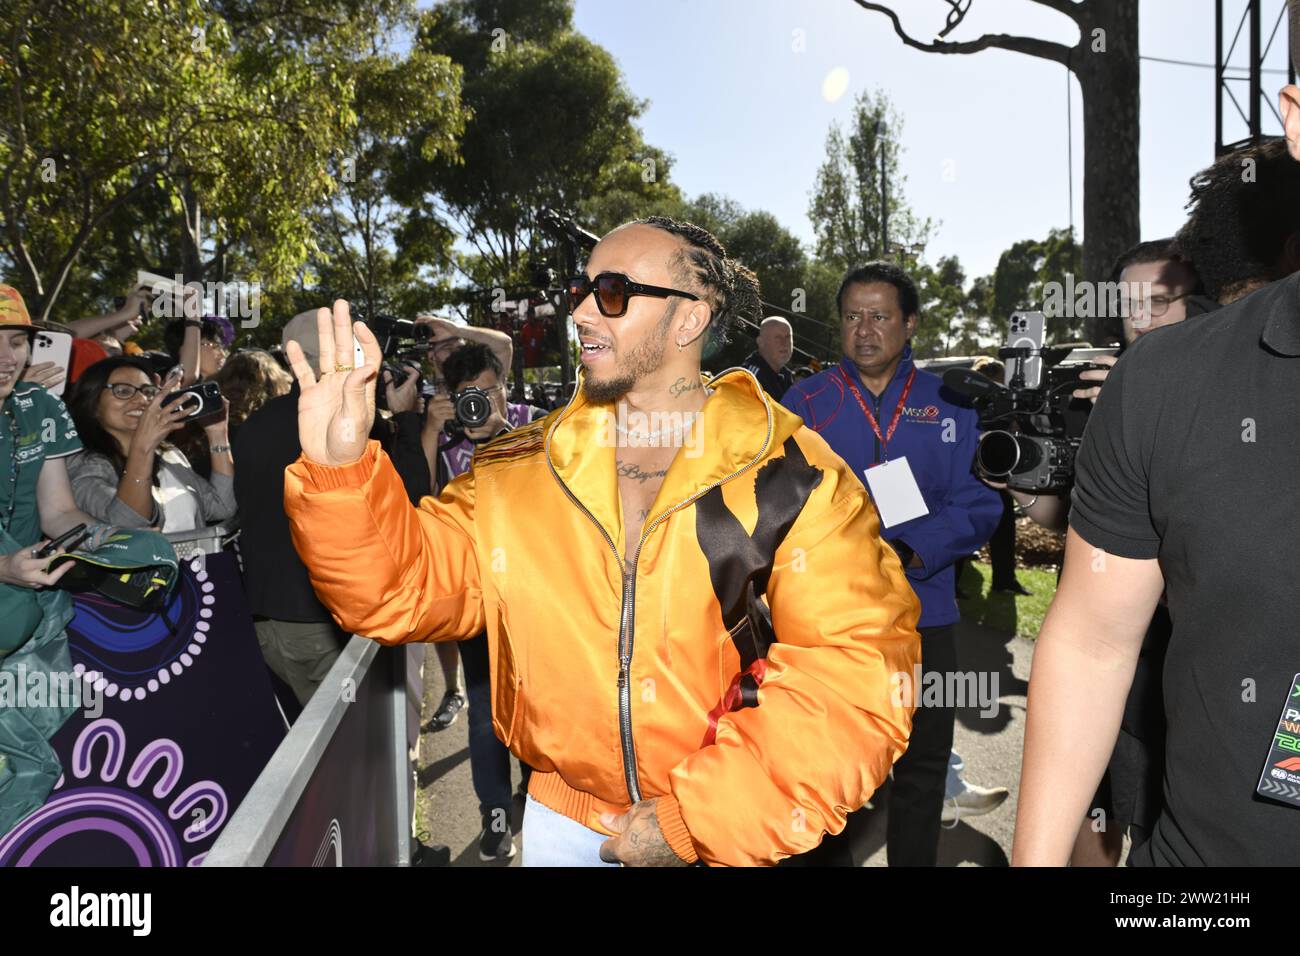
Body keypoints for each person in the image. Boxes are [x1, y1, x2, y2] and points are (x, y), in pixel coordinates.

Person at [282, 217, 921, 866]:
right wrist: (340, 473)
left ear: (689, 320)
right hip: (561, 821)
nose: (584, 311)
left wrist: (695, 821)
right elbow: (401, 588)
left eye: (613, 292)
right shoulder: (515, 469)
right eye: (581, 291)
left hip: (728, 831)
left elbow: (858, 672)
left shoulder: (794, 472)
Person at [1012, 69, 1300, 866]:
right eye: (1132, 303)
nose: (1147, 319)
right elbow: (1087, 625)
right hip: (1170, 747)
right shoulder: (1157, 385)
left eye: (1162, 301)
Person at [782, 261, 1004, 866]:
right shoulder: (805, 402)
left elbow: (980, 501)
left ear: (909, 324)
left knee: (923, 769)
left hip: (925, 613)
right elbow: (777, 502)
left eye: (880, 316)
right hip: (831, 623)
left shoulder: (952, 403)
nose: (865, 329)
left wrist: (913, 549)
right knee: (832, 772)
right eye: (853, 316)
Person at [233, 311, 428, 710]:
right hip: (324, 625)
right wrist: (407, 419)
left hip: (266, 623)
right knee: (357, 757)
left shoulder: (255, 423)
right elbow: (415, 498)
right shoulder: (346, 427)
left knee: (313, 758)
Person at [429, 342, 546, 860]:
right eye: (465, 396)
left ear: (504, 383)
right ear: (450, 398)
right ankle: (495, 817)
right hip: (477, 601)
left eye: (487, 391)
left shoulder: (537, 426)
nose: (477, 404)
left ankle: (537, 798)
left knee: (539, 706)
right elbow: (421, 514)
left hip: (539, 596)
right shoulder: (441, 438)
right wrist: (429, 435)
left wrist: (500, 433)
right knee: (484, 714)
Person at [413, 313, 516, 729]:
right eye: (432, 347)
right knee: (481, 694)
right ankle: (491, 794)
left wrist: (452, 328)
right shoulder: (436, 412)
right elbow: (422, 491)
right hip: (472, 576)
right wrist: (432, 429)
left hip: (523, 580)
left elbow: (504, 345)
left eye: (445, 343)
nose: (442, 350)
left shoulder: (522, 421)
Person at [64, 356, 236, 532]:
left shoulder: (168, 454)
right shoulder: (84, 465)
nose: (142, 400)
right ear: (93, 404)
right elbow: (129, 523)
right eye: (123, 391)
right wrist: (143, 448)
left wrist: (217, 434)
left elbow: (222, 507)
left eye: (148, 392)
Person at [742, 316, 795, 401]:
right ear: (761, 342)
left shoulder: (786, 376)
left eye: (788, 337)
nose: (784, 343)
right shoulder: (751, 378)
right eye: (778, 337)